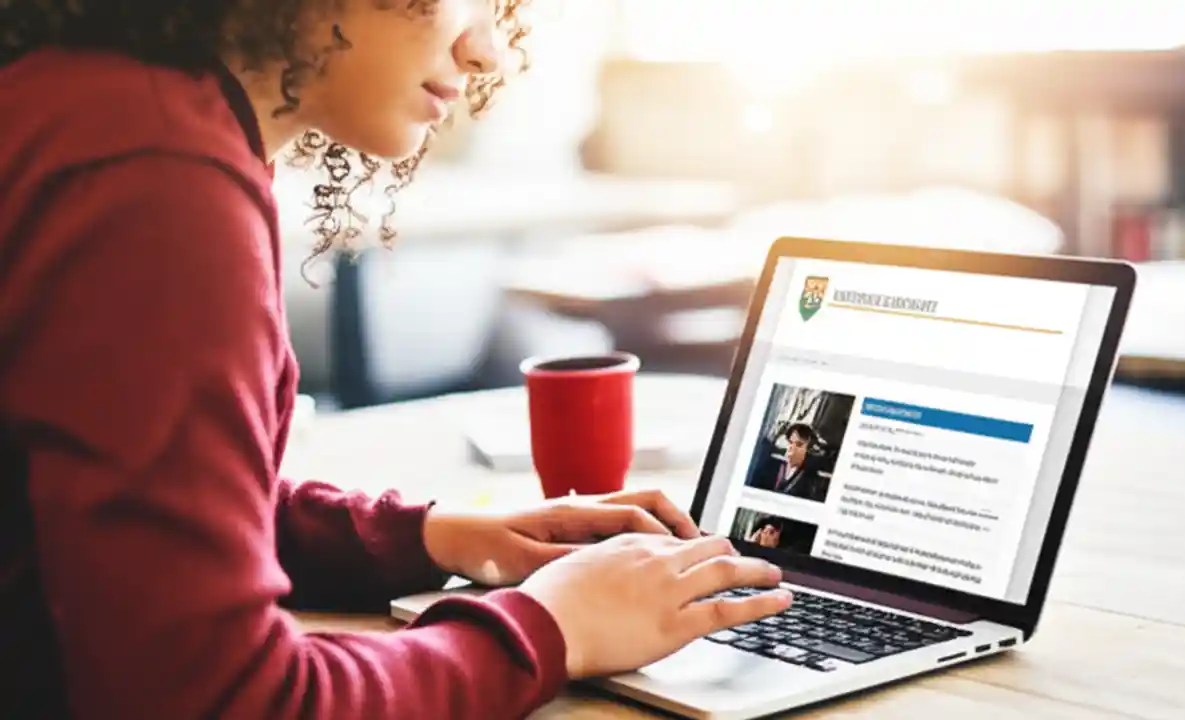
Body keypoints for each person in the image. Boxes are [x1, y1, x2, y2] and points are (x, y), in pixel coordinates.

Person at [0, 2, 793, 718]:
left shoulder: (114, 111)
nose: (490, 51)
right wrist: (552, 627)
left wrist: (432, 539)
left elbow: (121, 521)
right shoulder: (153, 177)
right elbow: (216, 699)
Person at [747, 423, 828, 502]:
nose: (792, 448)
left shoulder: (810, 479)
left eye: (799, 445)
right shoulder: (771, 464)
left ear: (808, 449)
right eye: (790, 442)